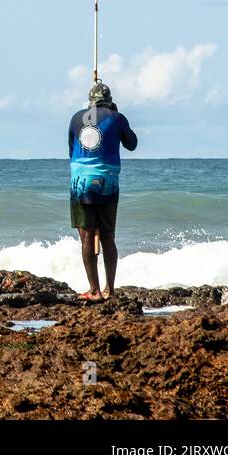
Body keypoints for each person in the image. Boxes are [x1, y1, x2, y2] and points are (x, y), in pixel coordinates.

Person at [69, 80, 137, 302]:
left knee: (87, 235)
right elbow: (132, 143)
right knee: (107, 235)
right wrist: (115, 115)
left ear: (90, 101)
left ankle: (94, 290)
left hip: (81, 183)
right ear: (108, 101)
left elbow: (71, 149)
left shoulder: (75, 118)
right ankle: (111, 289)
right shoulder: (116, 118)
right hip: (108, 182)